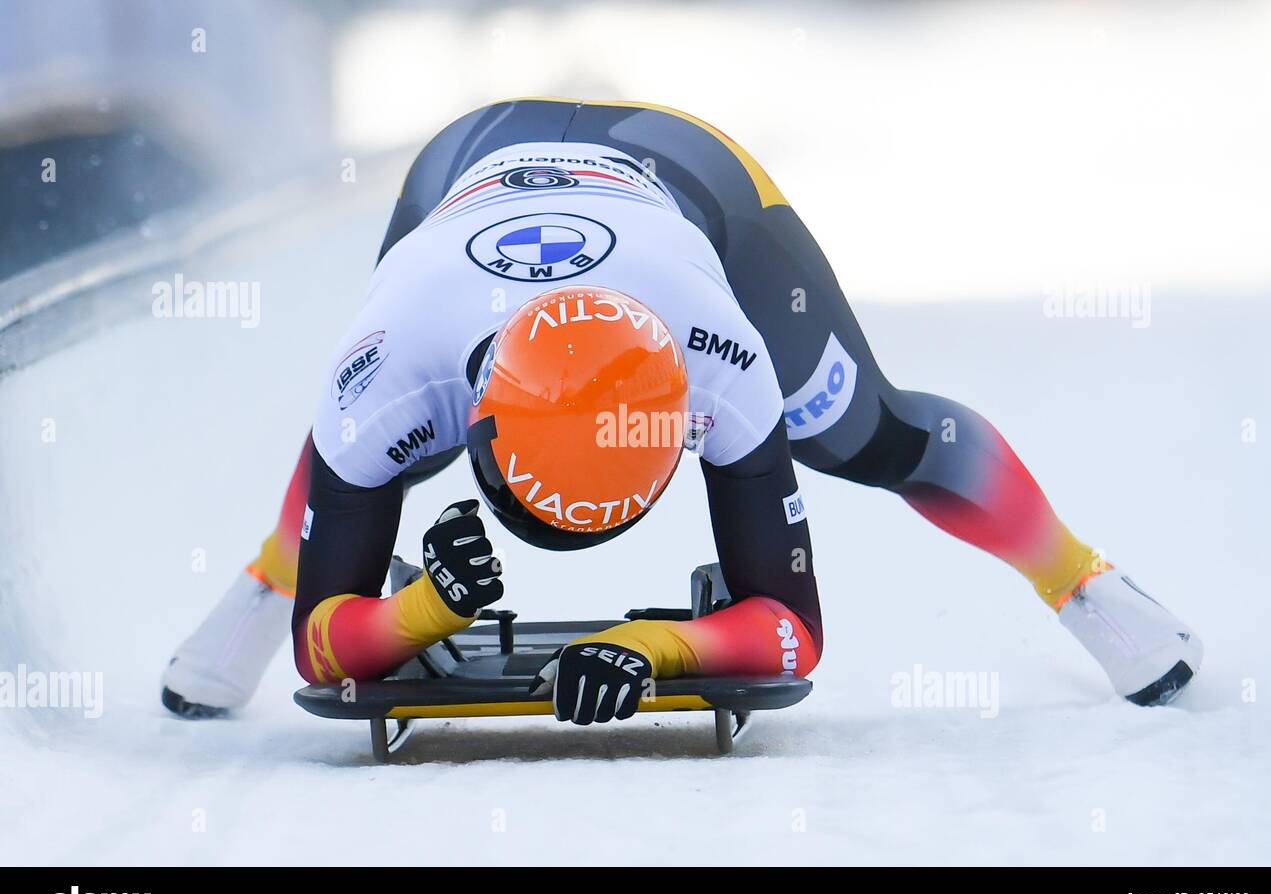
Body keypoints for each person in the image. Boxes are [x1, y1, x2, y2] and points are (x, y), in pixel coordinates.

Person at [161, 98, 1203, 725]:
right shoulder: (391, 368)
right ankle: (267, 576)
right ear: (475, 423)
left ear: (681, 428)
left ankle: (1082, 579)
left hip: (686, 178)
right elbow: (323, 644)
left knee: (863, 431)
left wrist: (657, 645)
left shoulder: (722, 360)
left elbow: (797, 634)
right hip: (471, 167)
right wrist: (422, 607)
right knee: (368, 432)